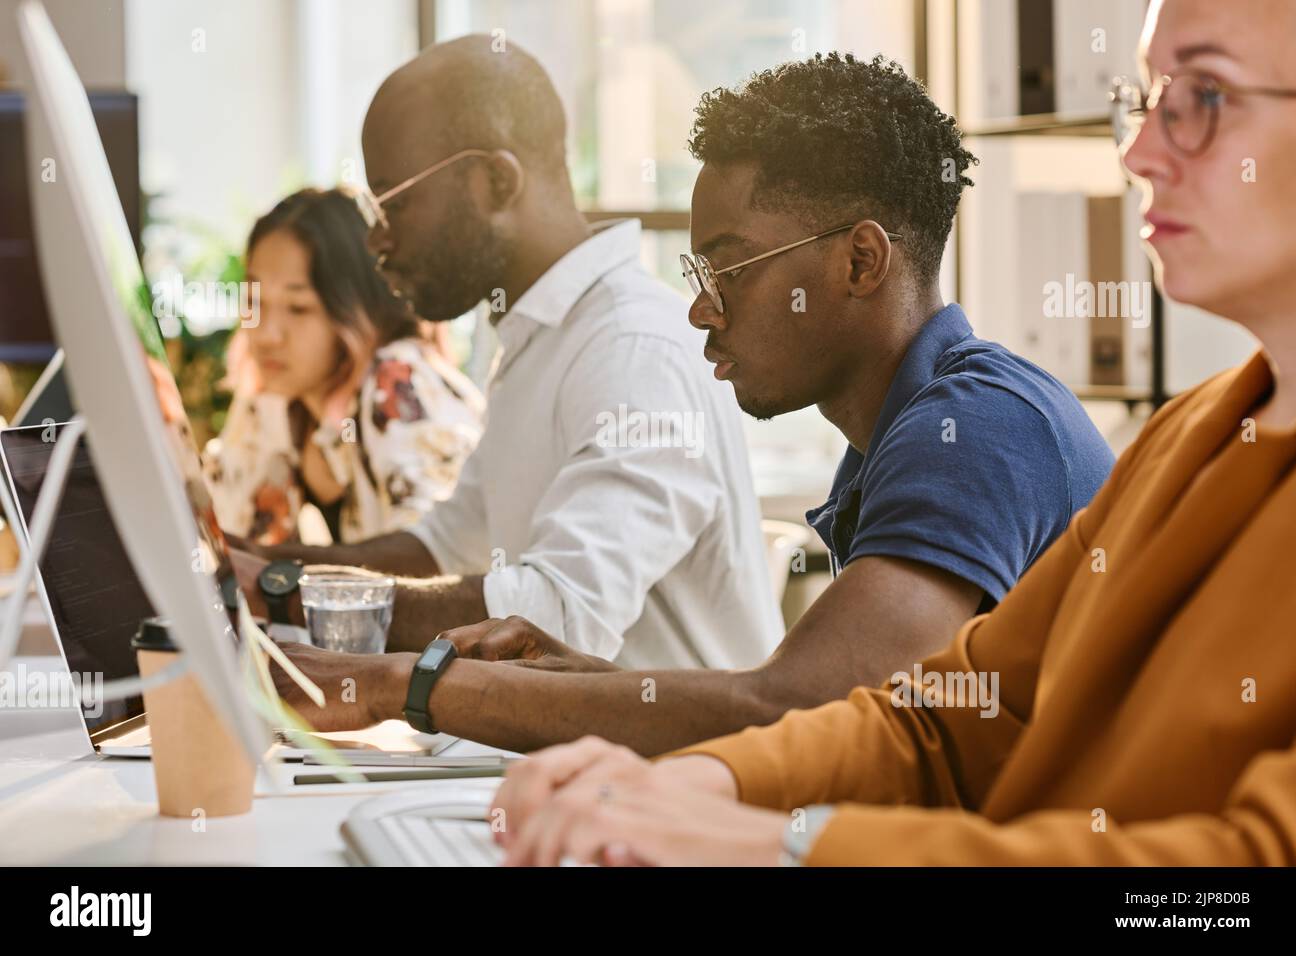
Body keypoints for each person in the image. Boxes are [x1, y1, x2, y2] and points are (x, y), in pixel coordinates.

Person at [482, 0, 1296, 866]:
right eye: (1142, 102)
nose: (1137, 153)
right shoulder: (1188, 440)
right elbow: (938, 725)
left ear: (863, 262)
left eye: (1204, 97)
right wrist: (705, 784)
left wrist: (785, 843)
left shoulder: (980, 423)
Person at [271, 53, 1115, 755]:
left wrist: (404, 685)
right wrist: (580, 678)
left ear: (861, 263)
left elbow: (802, 711)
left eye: (729, 268)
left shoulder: (979, 426)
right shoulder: (908, 433)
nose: (701, 310)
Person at [244, 37, 784, 671]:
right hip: (580, 759)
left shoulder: (632, 348)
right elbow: (445, 548)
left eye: (392, 202)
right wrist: (247, 564)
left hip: (678, 765)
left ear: (496, 181)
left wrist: (274, 593)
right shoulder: (539, 339)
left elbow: (551, 618)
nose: (376, 240)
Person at [205, 187, 483, 546]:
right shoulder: (277, 402)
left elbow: (436, 562)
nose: (266, 335)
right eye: (256, 302)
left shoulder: (398, 382)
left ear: (354, 311)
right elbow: (224, 542)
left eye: (298, 307)